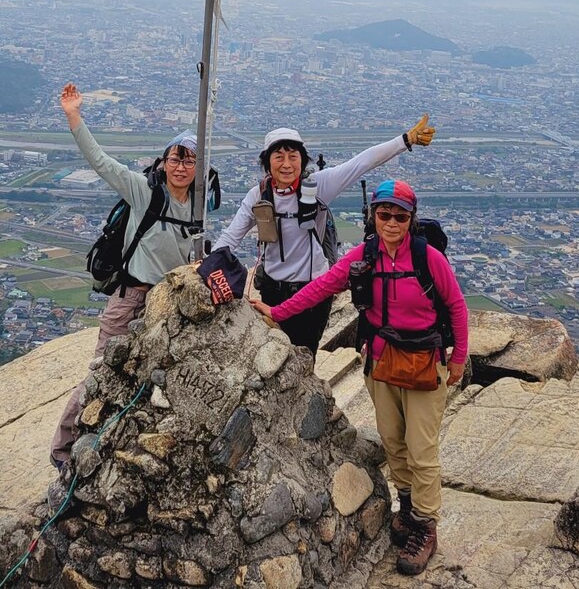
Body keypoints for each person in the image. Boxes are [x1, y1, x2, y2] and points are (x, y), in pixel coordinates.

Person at [251, 179, 467, 577]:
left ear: (410, 220)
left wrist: (459, 360)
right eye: (384, 214)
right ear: (373, 215)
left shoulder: (428, 258)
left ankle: (425, 526)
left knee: (422, 448)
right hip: (382, 363)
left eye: (399, 216)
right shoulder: (364, 256)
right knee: (392, 440)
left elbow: (456, 305)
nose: (391, 222)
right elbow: (321, 287)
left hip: (423, 363)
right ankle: (407, 508)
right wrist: (277, 312)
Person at [49, 82, 208, 470]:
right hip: (132, 297)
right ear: (163, 161)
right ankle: (63, 449)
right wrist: (74, 117)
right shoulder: (144, 192)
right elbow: (102, 163)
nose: (182, 167)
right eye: (176, 158)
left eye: (190, 161)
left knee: (151, 380)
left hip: (168, 305)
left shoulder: (199, 204)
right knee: (103, 370)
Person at [215, 116, 434, 358]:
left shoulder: (317, 186)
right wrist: (206, 266)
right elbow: (231, 236)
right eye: (278, 157)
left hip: (313, 292)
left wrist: (405, 141)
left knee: (304, 356)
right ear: (267, 163)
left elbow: (361, 163)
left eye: (293, 156)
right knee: (274, 356)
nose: (286, 164)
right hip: (273, 289)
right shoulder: (258, 195)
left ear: (302, 160)